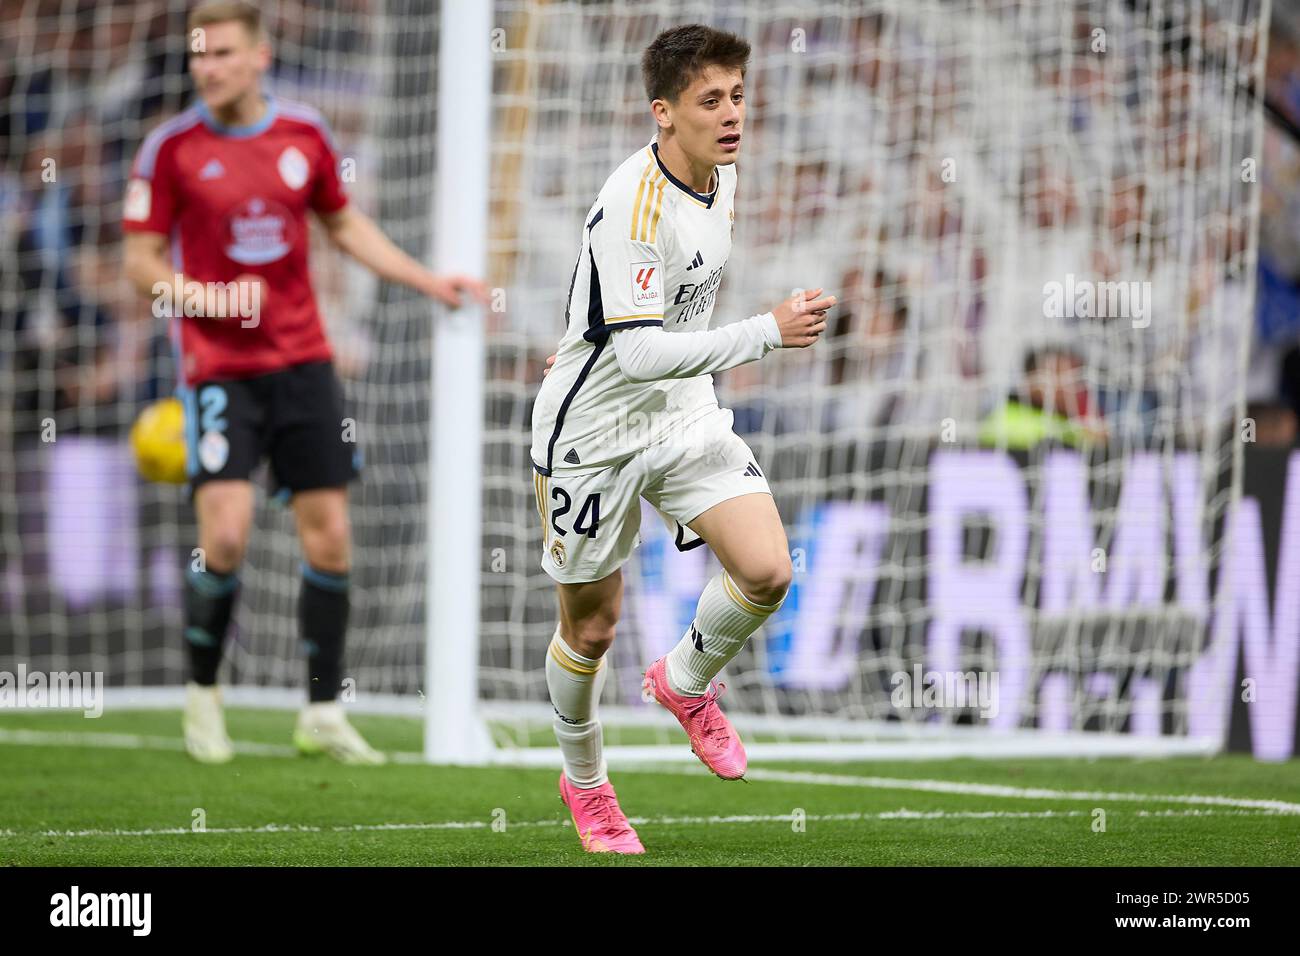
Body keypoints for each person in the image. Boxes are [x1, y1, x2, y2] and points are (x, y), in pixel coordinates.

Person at [122, 0, 486, 765]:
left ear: (260, 56)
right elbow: (141, 261)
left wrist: (427, 281)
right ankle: (202, 695)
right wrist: (208, 299)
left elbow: (344, 225)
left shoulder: (305, 136)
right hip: (220, 368)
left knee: (330, 539)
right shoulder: (171, 149)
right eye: (198, 55)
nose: (207, 67)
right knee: (224, 535)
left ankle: (322, 710)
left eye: (221, 52)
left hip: (305, 363)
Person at [530, 24, 834, 853]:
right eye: (711, 101)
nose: (732, 114)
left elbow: (656, 317)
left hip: (681, 412)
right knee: (591, 629)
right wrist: (764, 333)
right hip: (594, 431)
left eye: (737, 96)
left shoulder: (720, 179)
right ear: (664, 113)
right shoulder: (634, 201)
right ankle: (586, 784)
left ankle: (684, 682)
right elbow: (635, 349)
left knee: (768, 569)